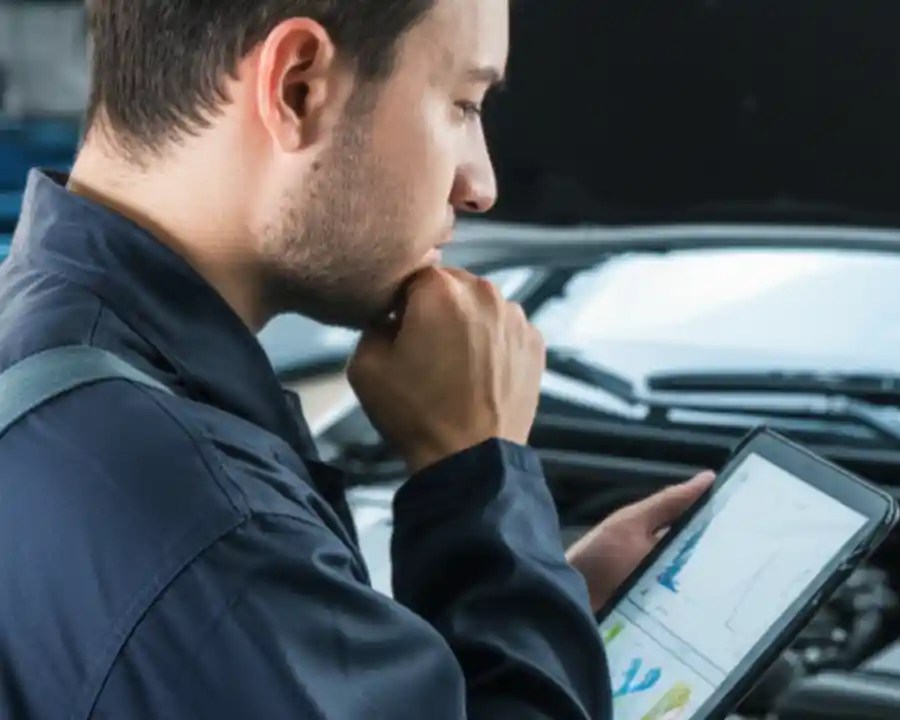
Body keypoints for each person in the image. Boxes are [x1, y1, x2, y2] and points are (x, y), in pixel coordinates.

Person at [0, 0, 714, 718]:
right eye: (462, 105)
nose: (481, 184)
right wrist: (477, 473)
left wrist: (530, 605)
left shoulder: (50, 347)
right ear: (297, 88)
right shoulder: (215, 526)